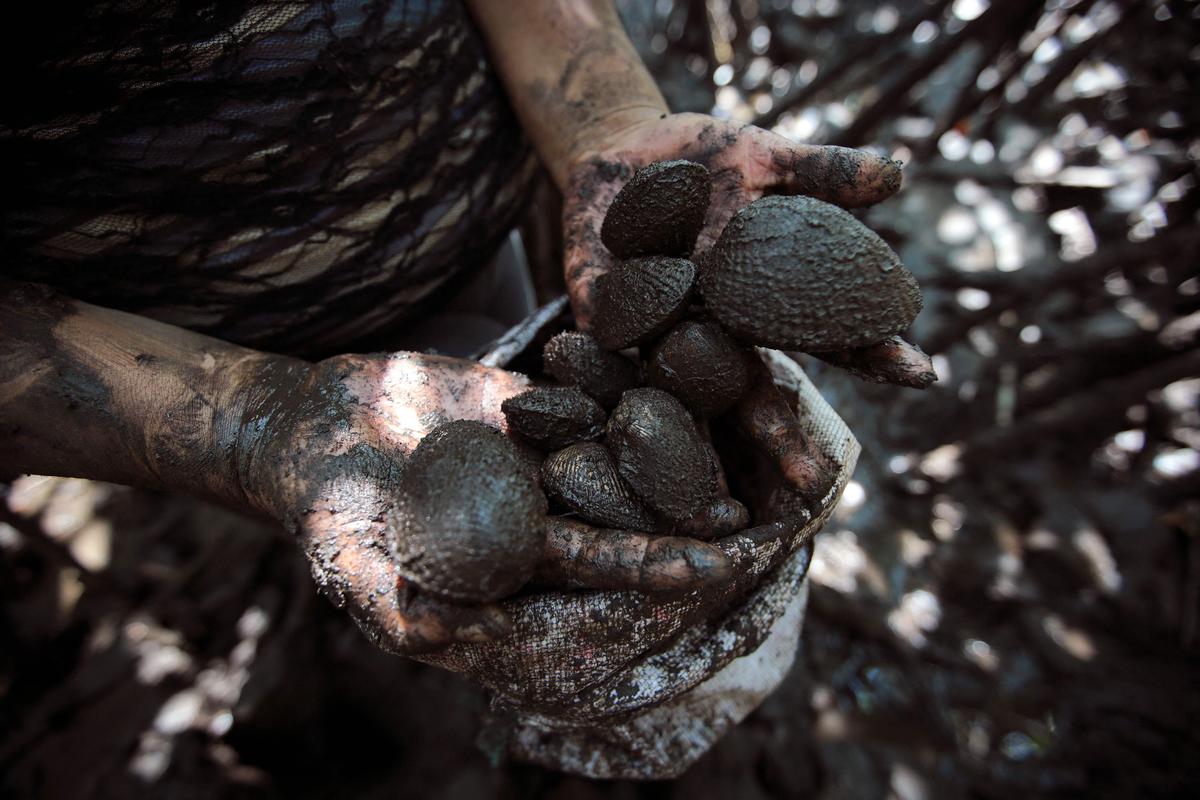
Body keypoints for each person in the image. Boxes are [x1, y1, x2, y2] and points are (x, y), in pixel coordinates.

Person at [1, 1, 915, 657]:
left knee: (555, 372)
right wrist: (249, 427)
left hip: (508, 201)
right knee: (356, 546)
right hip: (158, 346)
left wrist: (599, 114)